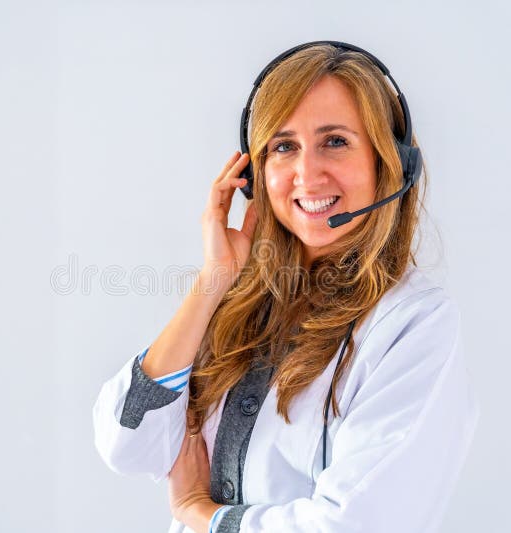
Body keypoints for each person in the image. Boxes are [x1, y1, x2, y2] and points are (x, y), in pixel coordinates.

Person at [92, 41, 479, 533]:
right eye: (283, 146)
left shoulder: (415, 323)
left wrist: (203, 514)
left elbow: (356, 524)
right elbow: (127, 445)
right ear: (253, 175)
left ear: (390, 162)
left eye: (335, 141)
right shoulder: (237, 304)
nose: (306, 174)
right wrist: (213, 282)